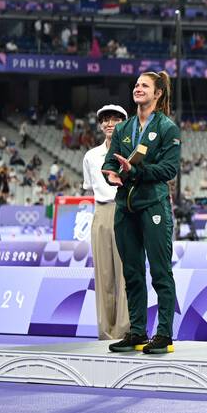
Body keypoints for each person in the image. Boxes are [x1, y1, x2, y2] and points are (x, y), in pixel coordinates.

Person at [103, 72, 182, 355]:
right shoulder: (124, 128)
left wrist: (135, 170)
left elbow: (169, 170)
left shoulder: (167, 128)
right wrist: (110, 174)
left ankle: (164, 334)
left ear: (158, 93)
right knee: (132, 273)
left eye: (144, 86)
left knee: (161, 272)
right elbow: (110, 161)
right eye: (136, 85)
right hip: (125, 206)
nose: (137, 89)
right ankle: (137, 332)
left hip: (153, 205)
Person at [82, 104, 129, 340]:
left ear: (125, 122)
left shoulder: (132, 154)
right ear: (100, 125)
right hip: (101, 213)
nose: (110, 123)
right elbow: (90, 187)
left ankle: (125, 331)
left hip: (126, 210)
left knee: (126, 274)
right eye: (106, 120)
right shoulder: (91, 156)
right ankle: (105, 332)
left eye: (116, 119)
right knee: (104, 275)